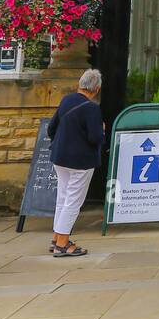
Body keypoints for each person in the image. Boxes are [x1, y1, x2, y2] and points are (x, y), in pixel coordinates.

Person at [48, 68, 105, 258]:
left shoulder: (66, 100)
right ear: (96, 88)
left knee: (62, 198)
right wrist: (102, 130)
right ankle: (63, 244)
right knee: (73, 201)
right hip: (80, 161)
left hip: (60, 157)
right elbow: (95, 137)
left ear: (80, 84)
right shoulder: (92, 108)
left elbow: (51, 128)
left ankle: (57, 237)